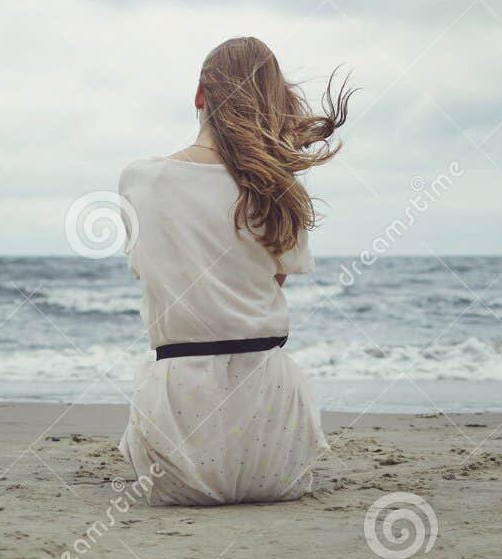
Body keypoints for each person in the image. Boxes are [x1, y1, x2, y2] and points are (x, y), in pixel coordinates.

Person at [117, 36, 354, 505]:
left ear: (200, 95)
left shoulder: (139, 179)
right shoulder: (277, 188)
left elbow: (150, 271)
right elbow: (272, 279)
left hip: (180, 424)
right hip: (276, 442)